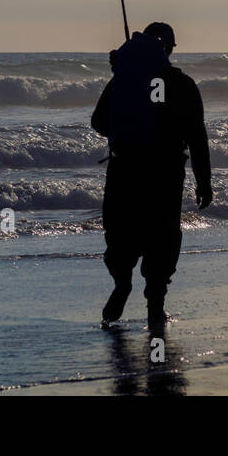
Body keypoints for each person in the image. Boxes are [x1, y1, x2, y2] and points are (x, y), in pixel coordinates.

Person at [91, 21, 212, 335]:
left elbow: (99, 122)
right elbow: (197, 137)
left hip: (124, 171)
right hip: (165, 174)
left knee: (120, 234)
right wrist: (204, 181)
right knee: (163, 238)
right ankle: (155, 306)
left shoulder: (123, 81)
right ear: (169, 48)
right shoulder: (182, 84)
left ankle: (122, 282)